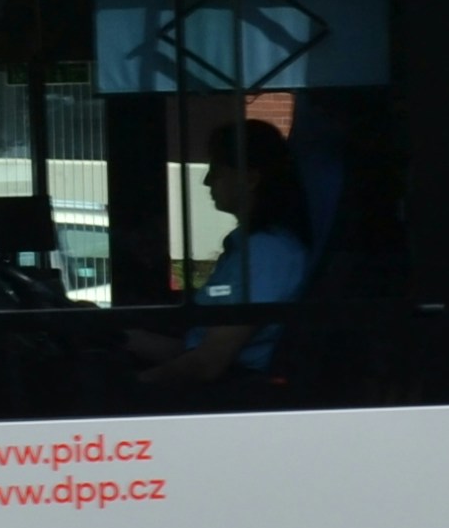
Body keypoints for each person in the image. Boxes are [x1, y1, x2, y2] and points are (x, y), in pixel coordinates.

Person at [132, 117, 313, 387]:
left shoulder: (266, 254)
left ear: (250, 178)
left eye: (216, 170)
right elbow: (190, 349)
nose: (207, 181)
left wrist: (130, 386)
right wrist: (117, 334)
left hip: (236, 391)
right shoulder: (248, 247)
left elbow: (208, 363)